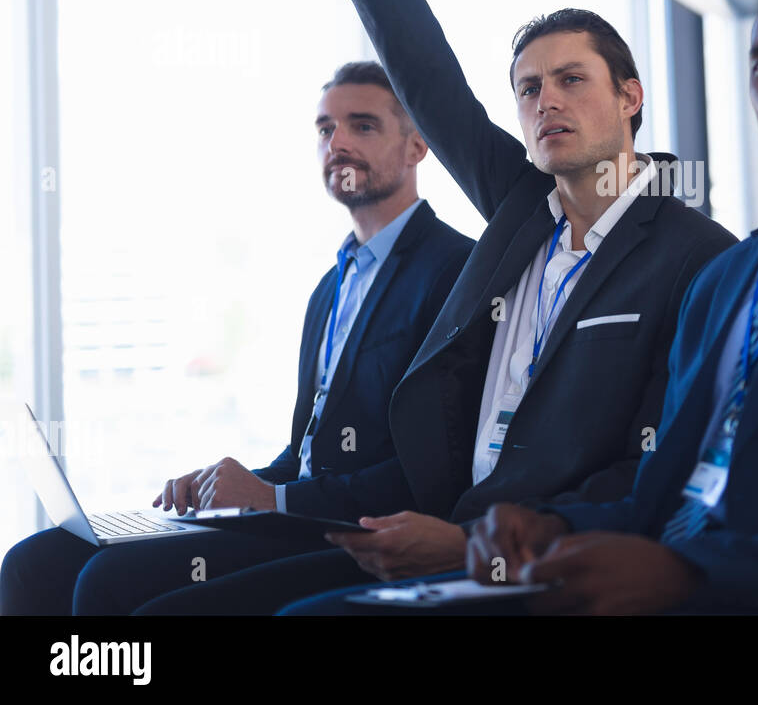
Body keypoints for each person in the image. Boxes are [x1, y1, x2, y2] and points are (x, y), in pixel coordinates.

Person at [127, 0, 736, 615]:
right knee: (147, 599)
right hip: (427, 529)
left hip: (536, 559)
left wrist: (481, 542)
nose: (545, 102)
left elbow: (660, 467)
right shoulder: (522, 211)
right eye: (528, 89)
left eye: (571, 80)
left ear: (630, 95)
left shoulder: (696, 254)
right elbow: (433, 83)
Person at [282, 0, 758, 616]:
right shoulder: (734, 280)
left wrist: (687, 575)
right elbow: (659, 490)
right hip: (624, 573)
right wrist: (540, 531)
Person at [0, 61, 474, 615]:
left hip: (356, 533)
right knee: (34, 561)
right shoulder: (332, 286)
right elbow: (308, 454)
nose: (337, 142)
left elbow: (432, 469)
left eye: (362, 125)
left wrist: (272, 498)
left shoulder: (456, 271)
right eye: (325, 129)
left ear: (417, 145)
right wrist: (228, 487)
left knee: (110, 582)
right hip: (298, 512)